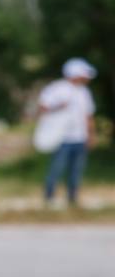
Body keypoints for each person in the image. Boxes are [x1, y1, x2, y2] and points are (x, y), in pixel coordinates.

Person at [37, 58, 97, 208]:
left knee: (76, 170)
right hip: (61, 138)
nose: (86, 78)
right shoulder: (57, 88)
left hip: (80, 137)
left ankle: (72, 198)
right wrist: (58, 106)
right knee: (57, 168)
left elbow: (88, 115)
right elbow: (43, 108)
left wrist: (90, 135)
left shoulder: (84, 92)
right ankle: (49, 197)